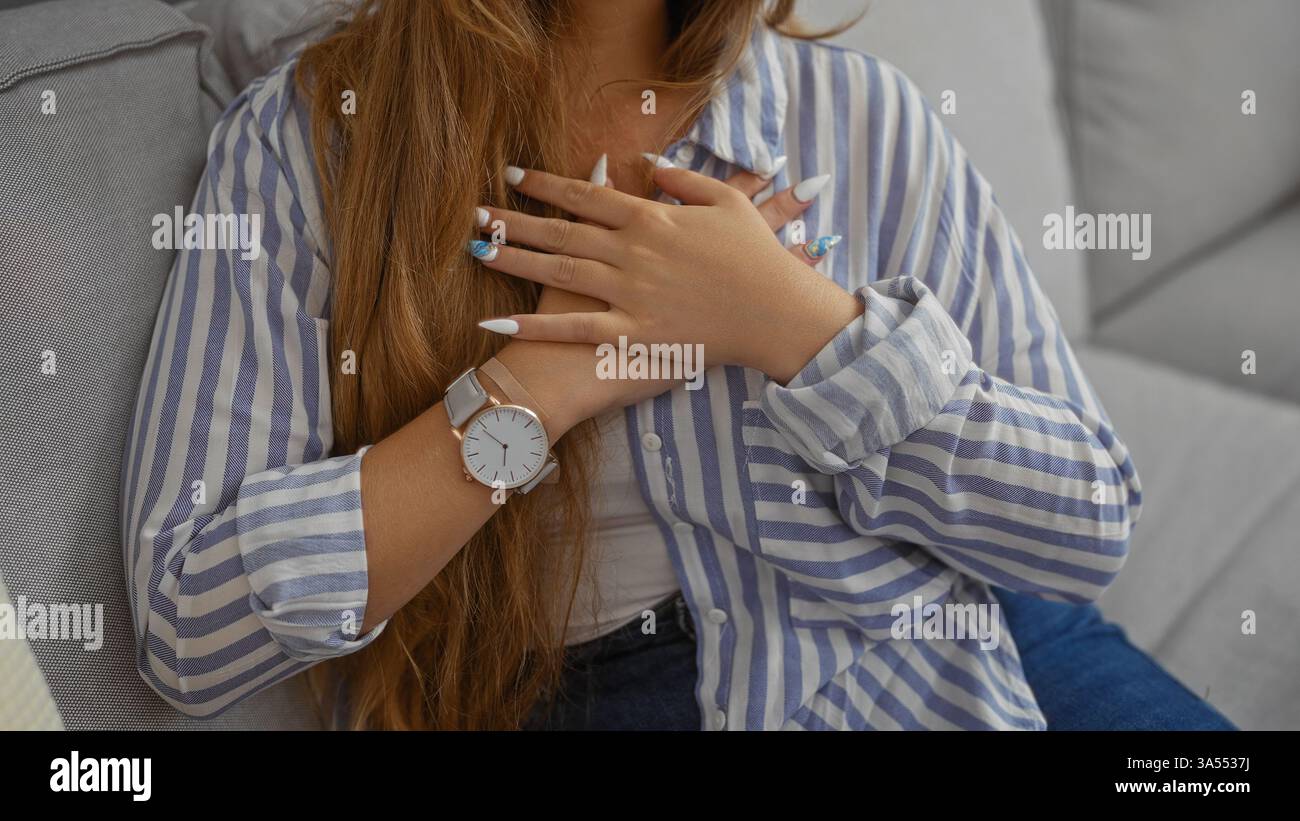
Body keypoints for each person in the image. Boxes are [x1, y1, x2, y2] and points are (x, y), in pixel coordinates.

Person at [121, 0, 1232, 730]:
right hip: (605, 685)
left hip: (944, 601)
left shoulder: (863, 116)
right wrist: (539, 389)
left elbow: (1084, 524)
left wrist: (796, 325)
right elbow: (190, 623)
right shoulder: (312, 148)